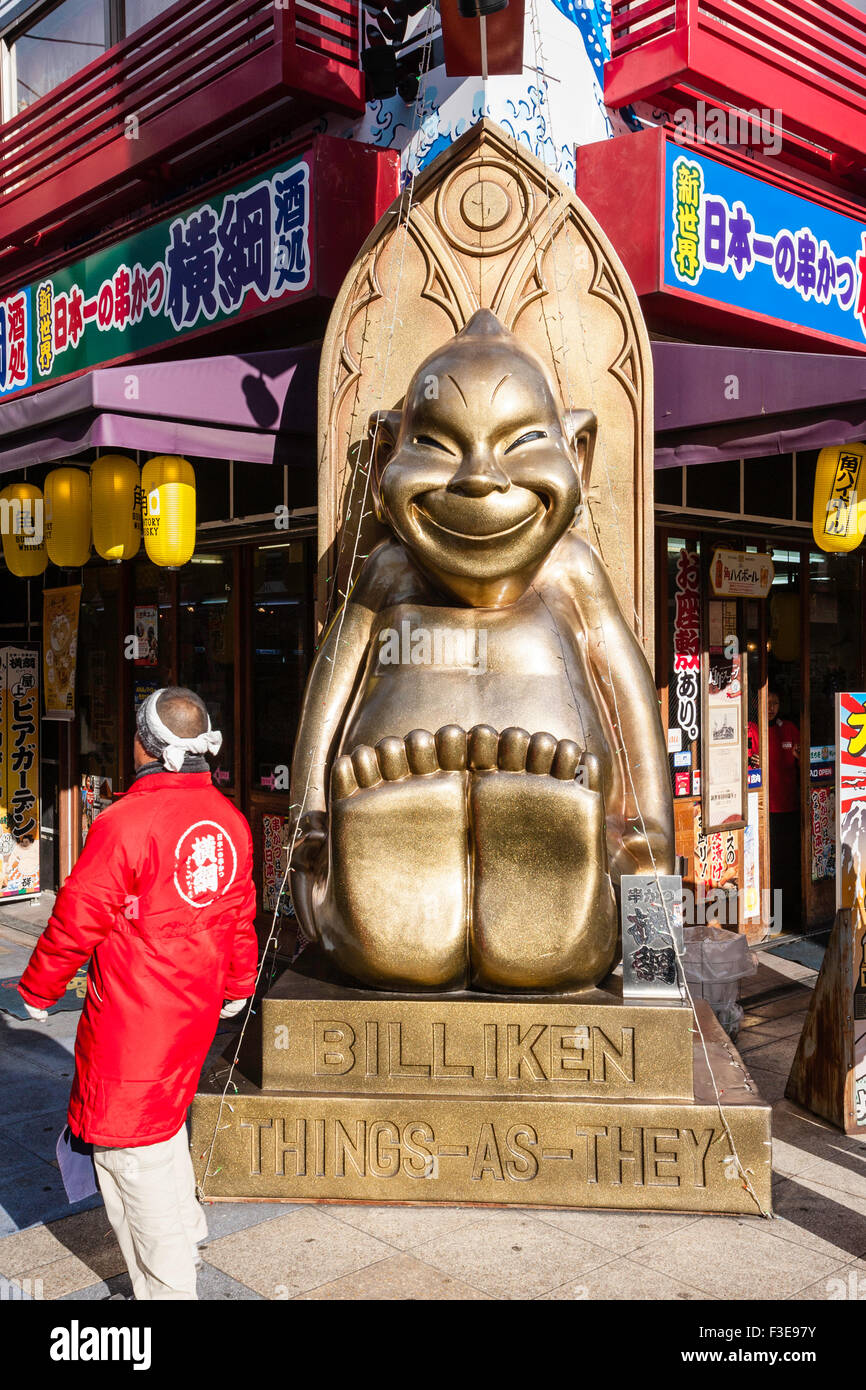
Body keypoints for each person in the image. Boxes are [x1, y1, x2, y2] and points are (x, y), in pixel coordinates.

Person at [17, 687, 258, 1300]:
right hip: (194, 1007)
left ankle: (169, 1287)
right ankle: (189, 1232)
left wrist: (40, 988)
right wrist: (238, 982)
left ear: (143, 747)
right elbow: (238, 914)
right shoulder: (228, 819)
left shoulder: (125, 821)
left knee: (129, 1150)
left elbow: (78, 916)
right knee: (164, 1122)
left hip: (134, 1016)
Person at [767, 686, 801, 927]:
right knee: (771, 866)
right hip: (764, 811)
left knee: (788, 864)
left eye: (775, 702)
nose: (770, 707)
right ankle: (771, 916)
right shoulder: (754, 729)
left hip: (789, 807)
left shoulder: (789, 729)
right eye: (767, 702)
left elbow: (804, 759)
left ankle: (790, 914)